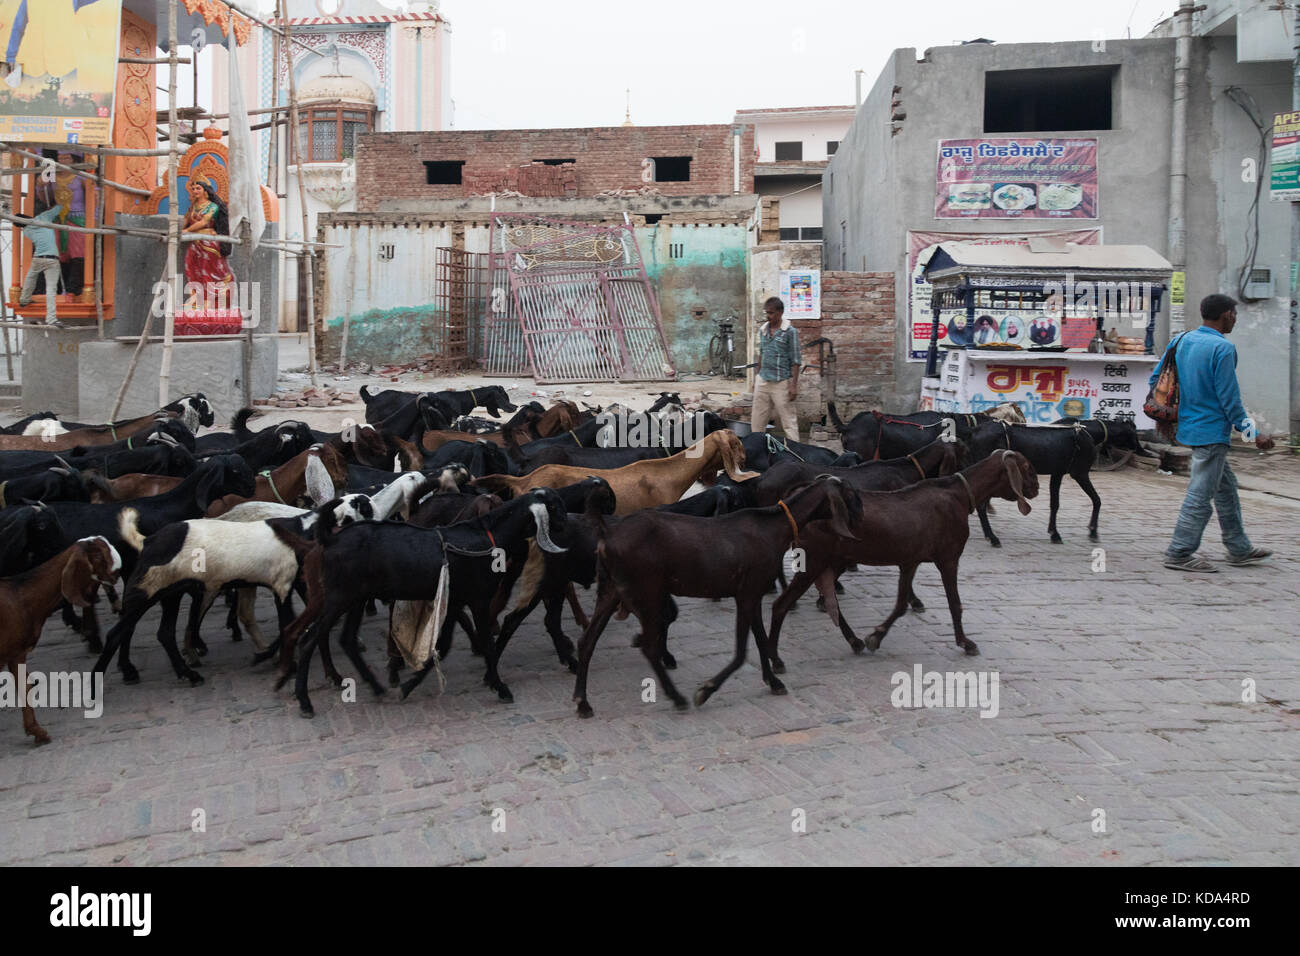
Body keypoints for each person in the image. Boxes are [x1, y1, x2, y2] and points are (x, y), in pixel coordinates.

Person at [1152, 293, 1274, 572]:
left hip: (1190, 428)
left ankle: (1239, 548)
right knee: (1200, 495)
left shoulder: (1181, 341)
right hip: (1211, 433)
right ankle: (1179, 552)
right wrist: (1254, 435)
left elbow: (1156, 380)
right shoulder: (1223, 349)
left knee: (1226, 489)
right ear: (1227, 315)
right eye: (1235, 314)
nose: (1235, 319)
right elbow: (1230, 401)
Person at [750, 296, 801, 441]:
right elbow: (762, 354)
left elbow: (796, 361)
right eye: (767, 313)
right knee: (757, 421)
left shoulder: (790, 332)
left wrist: (794, 386)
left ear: (781, 312)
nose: (768, 316)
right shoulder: (764, 330)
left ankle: (796, 453)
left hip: (781, 381)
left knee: (789, 422)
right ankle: (756, 448)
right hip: (763, 379)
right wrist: (757, 377)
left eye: (771, 313)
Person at [182, 177, 235, 309]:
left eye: (198, 188)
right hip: (194, 242)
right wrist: (180, 229)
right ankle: (195, 298)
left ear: (205, 191)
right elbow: (186, 220)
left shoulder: (212, 207)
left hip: (208, 243)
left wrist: (187, 230)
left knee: (208, 270)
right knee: (191, 268)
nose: (195, 191)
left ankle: (209, 300)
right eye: (193, 188)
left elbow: (204, 222)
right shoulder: (193, 207)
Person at [17, 200, 65, 327]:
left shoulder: (26, 231)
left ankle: (24, 299)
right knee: (51, 289)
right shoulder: (42, 218)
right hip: (52, 259)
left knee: (30, 277)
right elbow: (59, 208)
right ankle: (51, 319)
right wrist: (53, 207)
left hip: (38, 257)